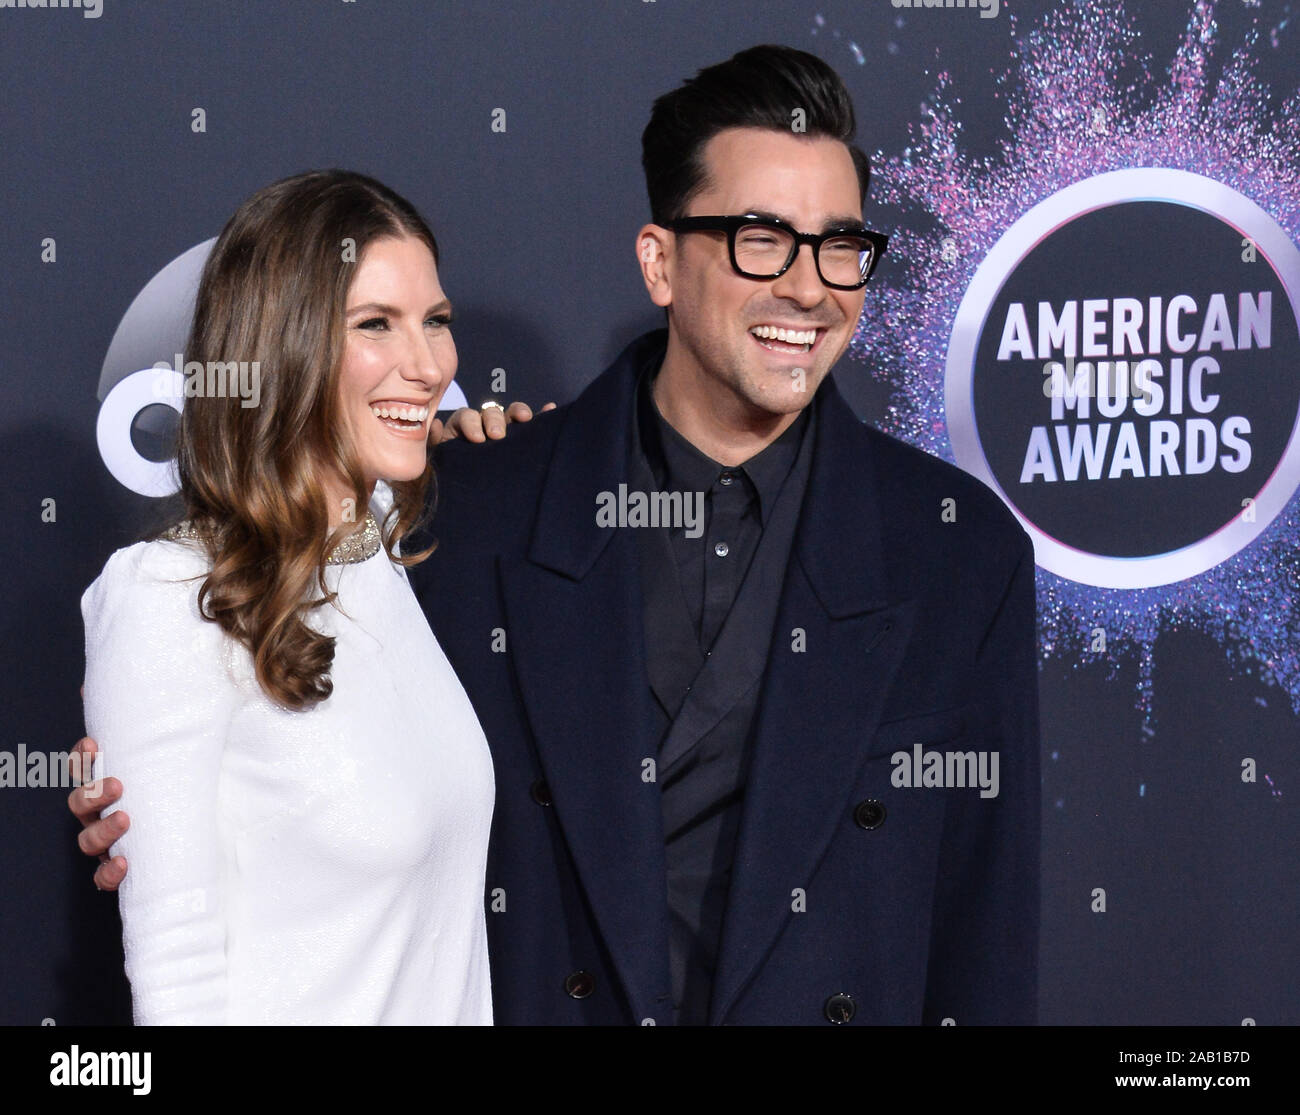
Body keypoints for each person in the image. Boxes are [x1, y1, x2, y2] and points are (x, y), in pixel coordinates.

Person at [74, 44, 1039, 1026]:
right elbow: (279, 736)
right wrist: (157, 800)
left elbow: (984, 929)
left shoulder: (955, 553)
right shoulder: (469, 513)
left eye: (839, 245)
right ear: (659, 261)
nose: (808, 287)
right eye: (760, 239)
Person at [78, 169, 497, 1024]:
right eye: (376, 324)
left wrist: (519, 442)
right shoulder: (168, 598)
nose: (428, 365)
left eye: (437, 321)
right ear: (282, 343)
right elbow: (177, 978)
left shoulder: (382, 553)